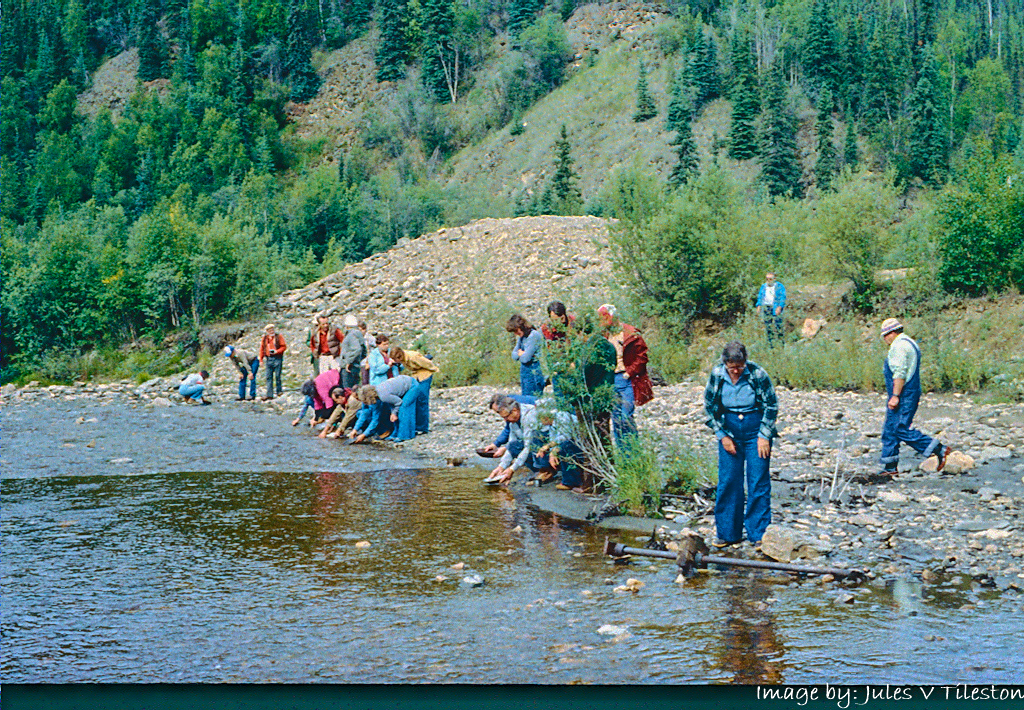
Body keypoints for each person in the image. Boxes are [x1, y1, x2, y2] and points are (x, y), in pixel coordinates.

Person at [703, 341, 778, 548]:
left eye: (740, 366)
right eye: (732, 367)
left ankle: (758, 533)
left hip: (756, 428)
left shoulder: (757, 373)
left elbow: (771, 405)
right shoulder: (717, 375)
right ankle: (728, 533)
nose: (736, 371)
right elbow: (709, 407)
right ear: (724, 363)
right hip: (730, 428)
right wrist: (722, 435)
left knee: (758, 480)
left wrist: (764, 435)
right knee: (729, 480)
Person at [877, 318, 951, 478]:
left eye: (885, 335)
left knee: (899, 429)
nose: (884, 339)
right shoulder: (910, 343)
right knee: (890, 428)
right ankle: (889, 466)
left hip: (904, 394)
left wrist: (895, 395)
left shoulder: (899, 346)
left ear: (892, 333)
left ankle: (938, 449)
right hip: (910, 391)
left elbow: (900, 373)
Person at [597, 304, 654, 443]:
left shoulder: (630, 333)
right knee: (616, 418)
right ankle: (623, 453)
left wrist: (629, 372)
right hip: (611, 379)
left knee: (625, 416)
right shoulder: (604, 335)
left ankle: (632, 451)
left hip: (627, 379)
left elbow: (642, 357)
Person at [484, 396, 540, 486]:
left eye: (506, 417)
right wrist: (501, 466)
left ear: (514, 411)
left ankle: (546, 470)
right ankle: (537, 470)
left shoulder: (529, 416)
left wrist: (512, 469)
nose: (505, 420)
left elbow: (528, 446)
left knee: (532, 444)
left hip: (545, 444)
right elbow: (511, 445)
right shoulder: (513, 422)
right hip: (532, 445)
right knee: (514, 446)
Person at [532, 398, 585, 491]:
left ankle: (570, 482)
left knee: (565, 446)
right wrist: (552, 451)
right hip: (570, 444)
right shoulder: (552, 425)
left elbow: (566, 436)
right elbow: (554, 440)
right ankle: (548, 471)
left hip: (579, 445)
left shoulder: (562, 417)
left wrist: (550, 448)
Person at [349, 376, 417, 444]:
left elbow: (399, 402)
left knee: (404, 409)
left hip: (412, 385)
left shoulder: (383, 396)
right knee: (393, 413)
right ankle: (395, 433)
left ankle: (405, 435)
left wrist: (364, 435)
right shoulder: (376, 395)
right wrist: (355, 429)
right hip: (400, 386)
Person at [389, 346, 439, 437]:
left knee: (422, 400)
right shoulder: (404, 359)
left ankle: (423, 427)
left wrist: (434, 370)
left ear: (399, 357)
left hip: (425, 375)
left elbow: (427, 363)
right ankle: (417, 425)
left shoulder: (413, 356)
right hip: (416, 375)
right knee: (416, 399)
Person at [479, 393, 537, 459]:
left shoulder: (517, 407)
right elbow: (510, 428)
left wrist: (506, 448)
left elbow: (527, 439)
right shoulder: (509, 410)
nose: (504, 418)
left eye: (498, 412)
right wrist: (495, 444)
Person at [507, 313, 544, 397]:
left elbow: (525, 358)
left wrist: (521, 353)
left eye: (516, 331)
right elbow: (514, 355)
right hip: (524, 372)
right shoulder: (522, 337)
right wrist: (521, 354)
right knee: (525, 398)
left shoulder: (533, 336)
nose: (516, 333)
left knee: (534, 399)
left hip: (533, 372)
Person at [755, 272, 786, 346]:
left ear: (774, 279)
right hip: (766, 307)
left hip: (775, 307)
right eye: (767, 279)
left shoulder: (779, 286)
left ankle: (781, 344)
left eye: (770, 279)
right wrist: (758, 305)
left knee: (778, 325)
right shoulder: (763, 286)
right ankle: (770, 344)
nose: (768, 280)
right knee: (768, 326)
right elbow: (760, 296)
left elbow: (783, 297)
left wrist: (780, 307)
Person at [259, 323, 287, 400]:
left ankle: (279, 391)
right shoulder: (264, 338)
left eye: (272, 329)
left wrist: (276, 351)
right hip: (268, 359)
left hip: (277, 358)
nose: (271, 331)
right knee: (268, 376)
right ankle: (269, 394)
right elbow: (262, 349)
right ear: (267, 331)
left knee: (278, 375)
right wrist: (261, 359)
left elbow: (284, 347)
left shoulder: (279, 336)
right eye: (269, 330)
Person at [339, 315, 366, 390]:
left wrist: (349, 361)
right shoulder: (358, 334)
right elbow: (363, 350)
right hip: (356, 366)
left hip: (348, 368)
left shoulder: (351, 335)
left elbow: (357, 349)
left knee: (347, 390)